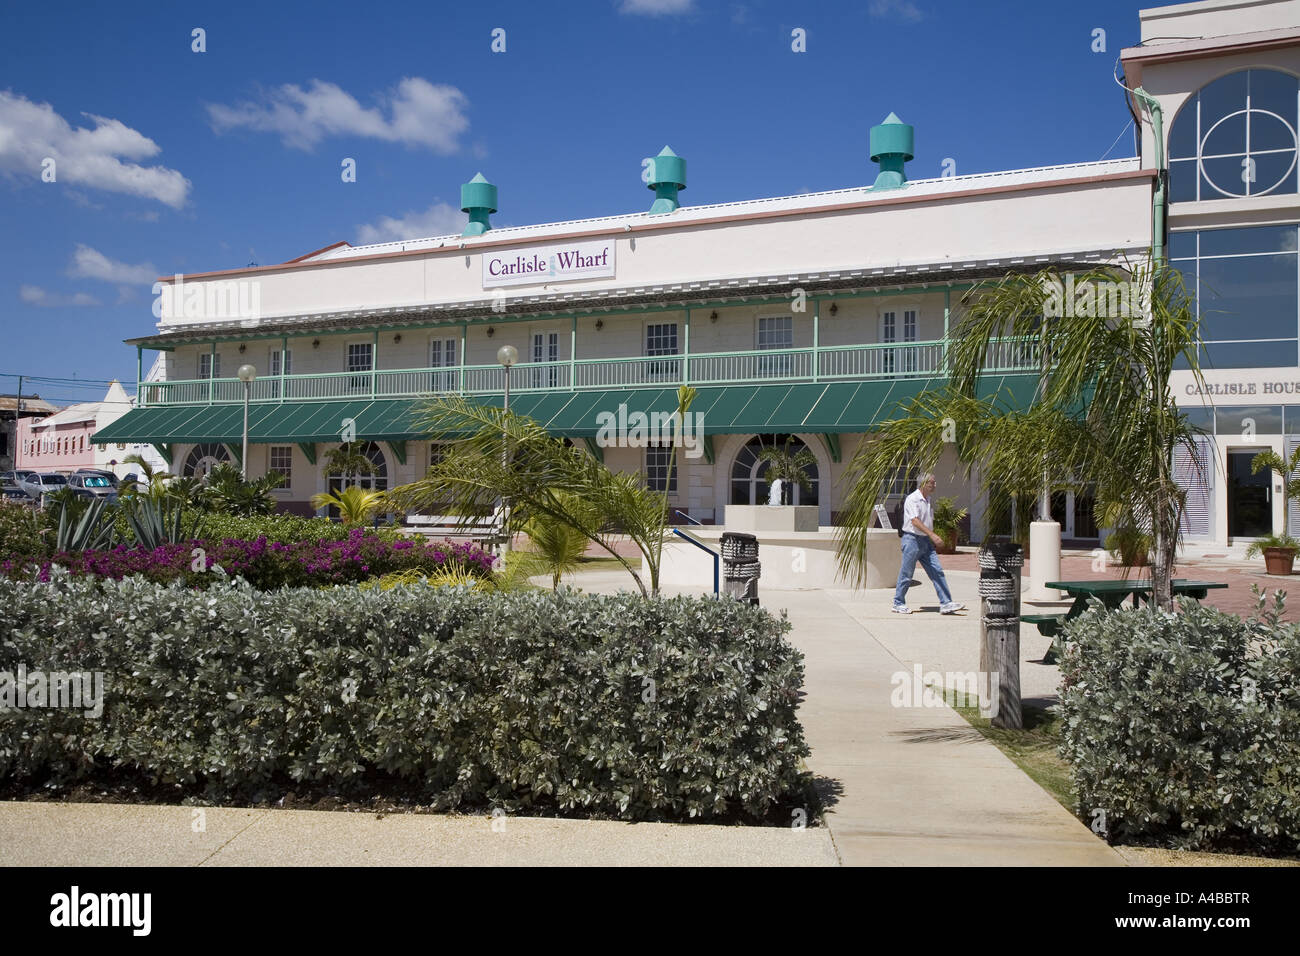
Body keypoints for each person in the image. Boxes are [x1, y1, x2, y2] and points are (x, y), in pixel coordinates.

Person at [892, 473, 965, 615]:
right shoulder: (913, 499)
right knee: (907, 573)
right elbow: (915, 521)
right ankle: (898, 603)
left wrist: (930, 536)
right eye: (932, 482)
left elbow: (926, 521)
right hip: (912, 540)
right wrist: (933, 535)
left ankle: (946, 603)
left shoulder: (928, 499)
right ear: (923, 484)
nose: (935, 484)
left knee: (937, 571)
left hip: (925, 541)